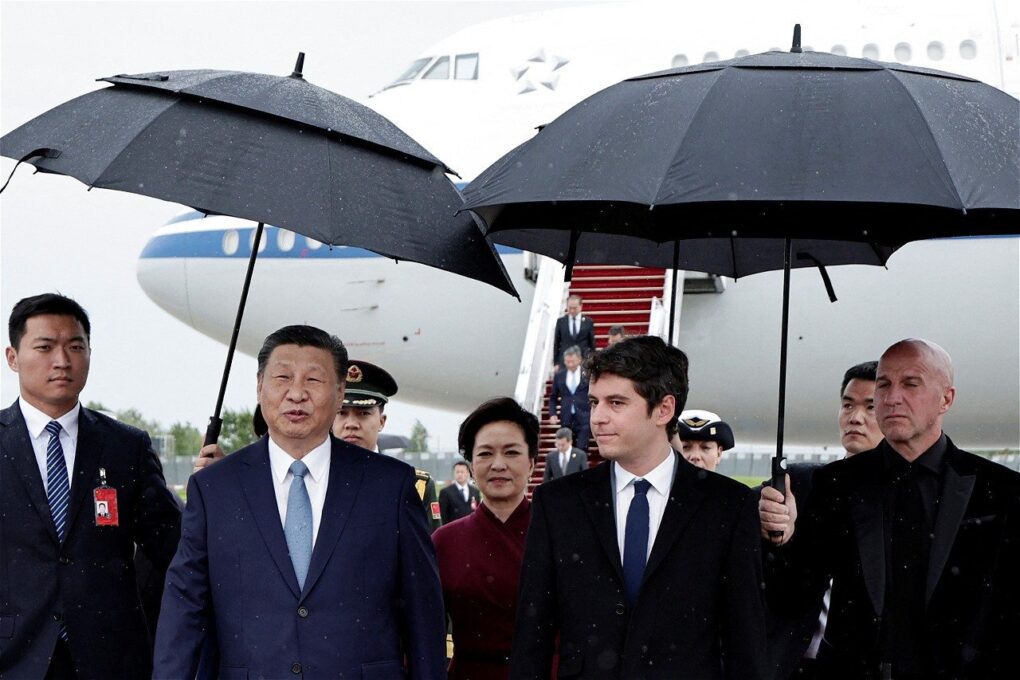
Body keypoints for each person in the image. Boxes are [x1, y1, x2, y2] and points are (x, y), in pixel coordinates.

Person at [154, 325, 446, 679]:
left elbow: (423, 614)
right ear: (260, 386)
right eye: (282, 377)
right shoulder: (215, 488)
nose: (296, 394)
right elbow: (185, 609)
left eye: (313, 380)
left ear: (339, 393)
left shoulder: (390, 486)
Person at [760, 339, 1020, 679]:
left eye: (911, 384)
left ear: (946, 399)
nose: (892, 397)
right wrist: (779, 540)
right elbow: (792, 597)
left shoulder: (999, 491)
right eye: (884, 385)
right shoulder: (836, 484)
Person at [511, 335, 767, 680]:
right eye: (594, 402)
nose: (597, 417)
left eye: (616, 403)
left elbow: (745, 641)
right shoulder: (558, 504)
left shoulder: (729, 507)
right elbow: (532, 637)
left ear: (663, 409)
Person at [0, 293, 181, 679]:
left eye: (75, 347)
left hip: (111, 658)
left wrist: (208, 494)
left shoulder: (125, 446)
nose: (62, 360)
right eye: (45, 347)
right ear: (12, 357)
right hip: (14, 656)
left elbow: (174, 545)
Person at [764, 360, 881, 680]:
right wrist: (778, 539)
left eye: (871, 407)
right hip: (791, 660)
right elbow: (763, 575)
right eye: (848, 405)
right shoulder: (799, 483)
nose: (855, 417)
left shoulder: (906, 497)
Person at [432, 397, 540, 680]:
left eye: (512, 452)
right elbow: (426, 632)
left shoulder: (560, 536)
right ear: (470, 465)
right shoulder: (445, 541)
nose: (498, 464)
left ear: (531, 463)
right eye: (485, 454)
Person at [333, 359, 442, 531]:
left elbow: (428, 553)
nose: (351, 423)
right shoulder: (309, 480)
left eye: (363, 413)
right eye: (342, 413)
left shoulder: (415, 485)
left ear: (381, 421)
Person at [547, 346, 591, 450]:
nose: (569, 364)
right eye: (567, 361)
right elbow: (553, 397)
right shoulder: (560, 375)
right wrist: (552, 413)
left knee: (581, 448)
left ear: (579, 359)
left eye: (572, 361)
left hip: (584, 416)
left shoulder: (587, 374)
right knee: (566, 450)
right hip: (566, 417)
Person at [552, 294, 595, 368]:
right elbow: (557, 343)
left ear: (581, 306)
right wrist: (556, 363)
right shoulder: (561, 322)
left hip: (582, 362)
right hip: (564, 362)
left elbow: (592, 343)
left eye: (574, 308)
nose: (572, 310)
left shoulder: (588, 322)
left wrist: (591, 360)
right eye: (570, 308)